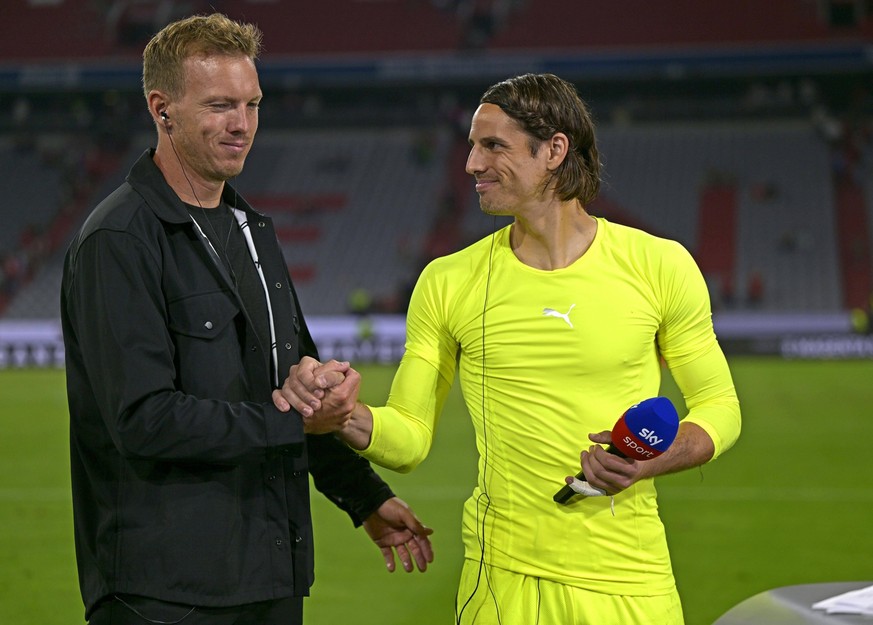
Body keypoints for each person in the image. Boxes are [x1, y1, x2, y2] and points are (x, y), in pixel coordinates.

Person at [277, 73, 742, 624]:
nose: (471, 163)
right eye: (473, 146)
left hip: (630, 578)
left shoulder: (660, 266)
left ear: (554, 150)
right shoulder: (449, 281)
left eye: (493, 145)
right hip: (503, 580)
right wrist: (345, 417)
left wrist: (652, 462)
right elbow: (407, 438)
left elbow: (720, 406)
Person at [60, 13, 432, 625]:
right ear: (162, 109)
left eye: (252, 104)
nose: (242, 125)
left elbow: (296, 397)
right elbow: (144, 420)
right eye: (219, 106)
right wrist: (295, 426)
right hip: (165, 593)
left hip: (268, 579)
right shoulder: (119, 239)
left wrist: (363, 496)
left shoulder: (254, 232)